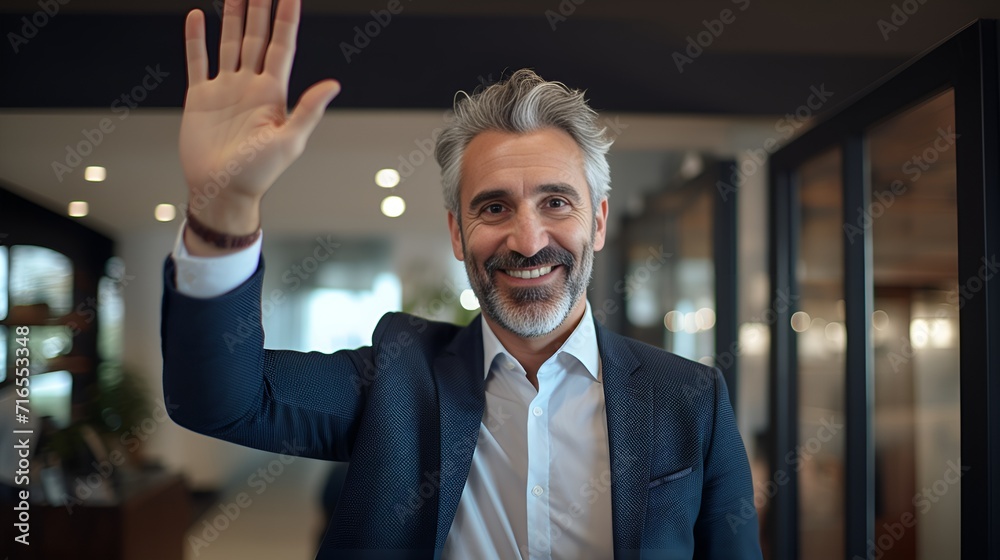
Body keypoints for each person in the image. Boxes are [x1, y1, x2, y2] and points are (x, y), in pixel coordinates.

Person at [161, 0, 763, 558]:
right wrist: (224, 210)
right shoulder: (395, 382)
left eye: (556, 203)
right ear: (457, 233)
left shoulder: (691, 399)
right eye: (494, 208)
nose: (528, 242)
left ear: (597, 221)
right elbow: (219, 402)